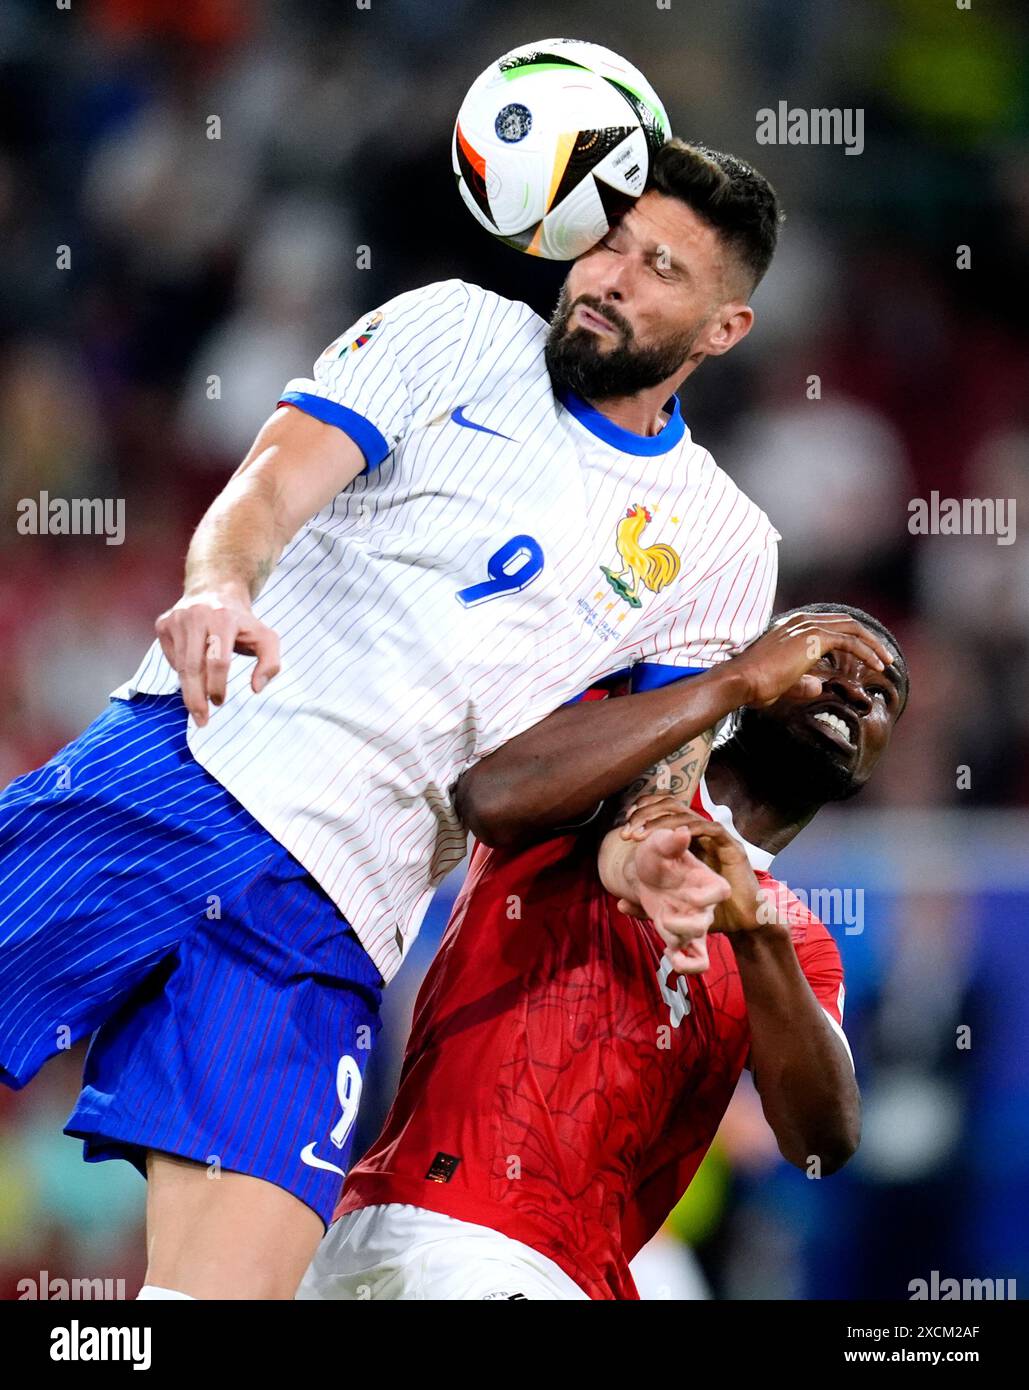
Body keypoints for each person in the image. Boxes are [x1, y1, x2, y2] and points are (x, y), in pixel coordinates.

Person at [0, 135, 889, 1300]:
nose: (612, 277)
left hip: (335, 915)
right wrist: (220, 581)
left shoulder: (719, 544)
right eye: (608, 245)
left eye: (661, 267)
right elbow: (267, 484)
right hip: (187, 768)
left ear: (725, 329)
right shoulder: (458, 328)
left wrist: (646, 860)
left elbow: (638, 795)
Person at [299, 603, 908, 1300]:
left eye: (881, 693)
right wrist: (730, 681)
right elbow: (491, 797)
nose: (853, 690)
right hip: (458, 1235)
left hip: (542, 1269)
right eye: (823, 660)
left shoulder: (794, 943)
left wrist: (754, 934)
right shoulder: (619, 769)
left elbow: (821, 1144)